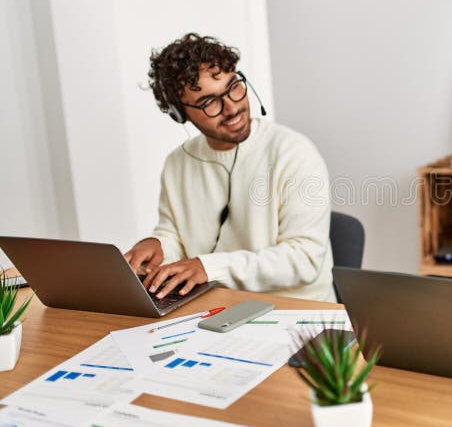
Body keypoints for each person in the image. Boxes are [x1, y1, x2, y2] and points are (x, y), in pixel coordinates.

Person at [124, 33, 335, 302]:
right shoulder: (178, 163)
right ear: (180, 113)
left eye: (234, 87)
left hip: (298, 311)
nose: (232, 107)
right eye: (208, 102)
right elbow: (175, 235)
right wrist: (158, 246)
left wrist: (207, 267)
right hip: (221, 307)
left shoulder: (294, 153)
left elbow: (304, 260)